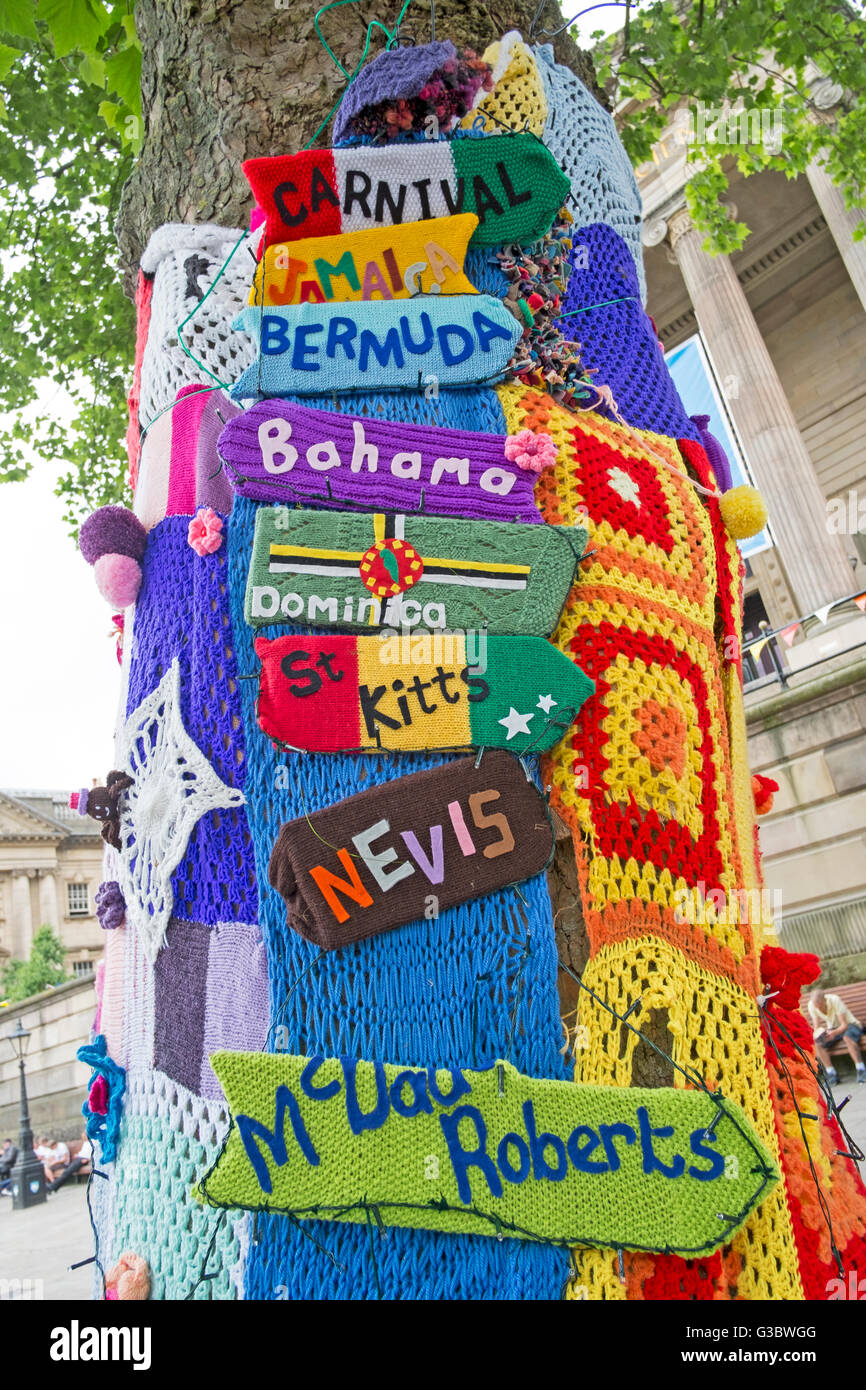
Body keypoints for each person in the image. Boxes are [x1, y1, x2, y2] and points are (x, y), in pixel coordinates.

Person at [808, 988, 866, 1085]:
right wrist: (818, 1034)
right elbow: (816, 1026)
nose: (818, 1009)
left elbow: (844, 1025)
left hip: (850, 1025)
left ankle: (861, 1070)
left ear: (824, 1000)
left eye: (820, 1006)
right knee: (818, 1044)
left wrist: (834, 1033)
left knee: (847, 1038)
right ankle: (832, 1074)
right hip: (833, 1028)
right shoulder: (811, 1005)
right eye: (816, 1007)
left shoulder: (835, 1000)